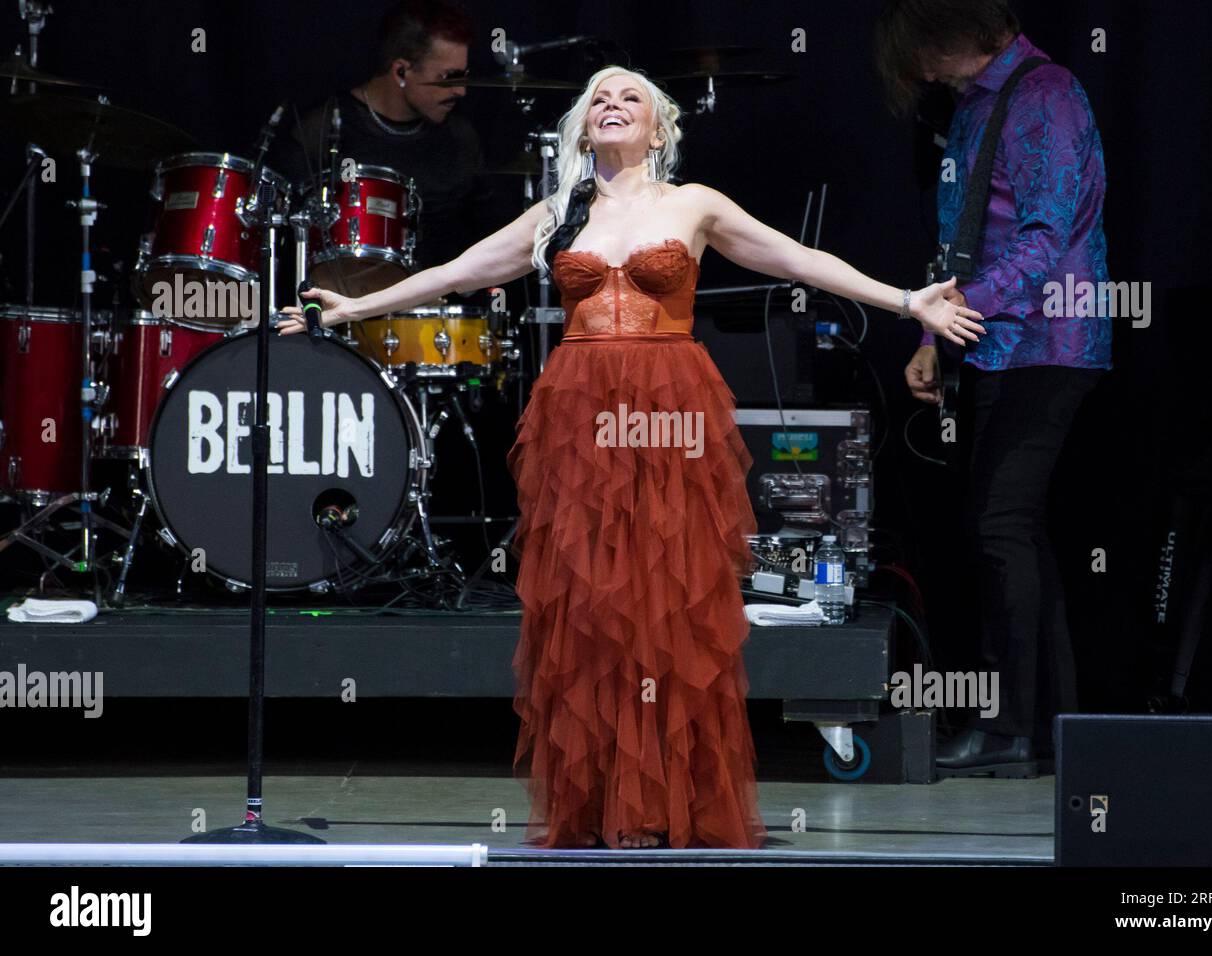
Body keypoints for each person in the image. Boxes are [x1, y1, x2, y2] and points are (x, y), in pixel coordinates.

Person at [279, 66, 984, 848]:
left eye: (630, 98)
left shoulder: (693, 204)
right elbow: (457, 273)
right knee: (592, 606)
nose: (613, 106)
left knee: (666, 597)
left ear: (658, 127)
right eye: (600, 100)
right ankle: (603, 799)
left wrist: (906, 301)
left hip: (667, 408)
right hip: (580, 414)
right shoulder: (558, 213)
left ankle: (669, 798)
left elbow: (797, 259)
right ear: (583, 126)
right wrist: (354, 308)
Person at [875, 0, 1112, 774]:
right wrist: (930, 340)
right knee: (1018, 532)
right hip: (997, 346)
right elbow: (965, 243)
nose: (919, 74)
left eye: (922, 55)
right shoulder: (975, 106)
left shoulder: (1046, 93)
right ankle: (1051, 730)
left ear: (950, 34)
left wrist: (955, 316)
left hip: (1050, 342)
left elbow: (1045, 238)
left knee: (999, 525)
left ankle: (1009, 730)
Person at [268, 0, 495, 280]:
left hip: (440, 301)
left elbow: (487, 228)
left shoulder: (460, 136)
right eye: (450, 78)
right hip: (345, 296)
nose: (461, 91)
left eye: (464, 77)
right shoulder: (324, 131)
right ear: (401, 71)